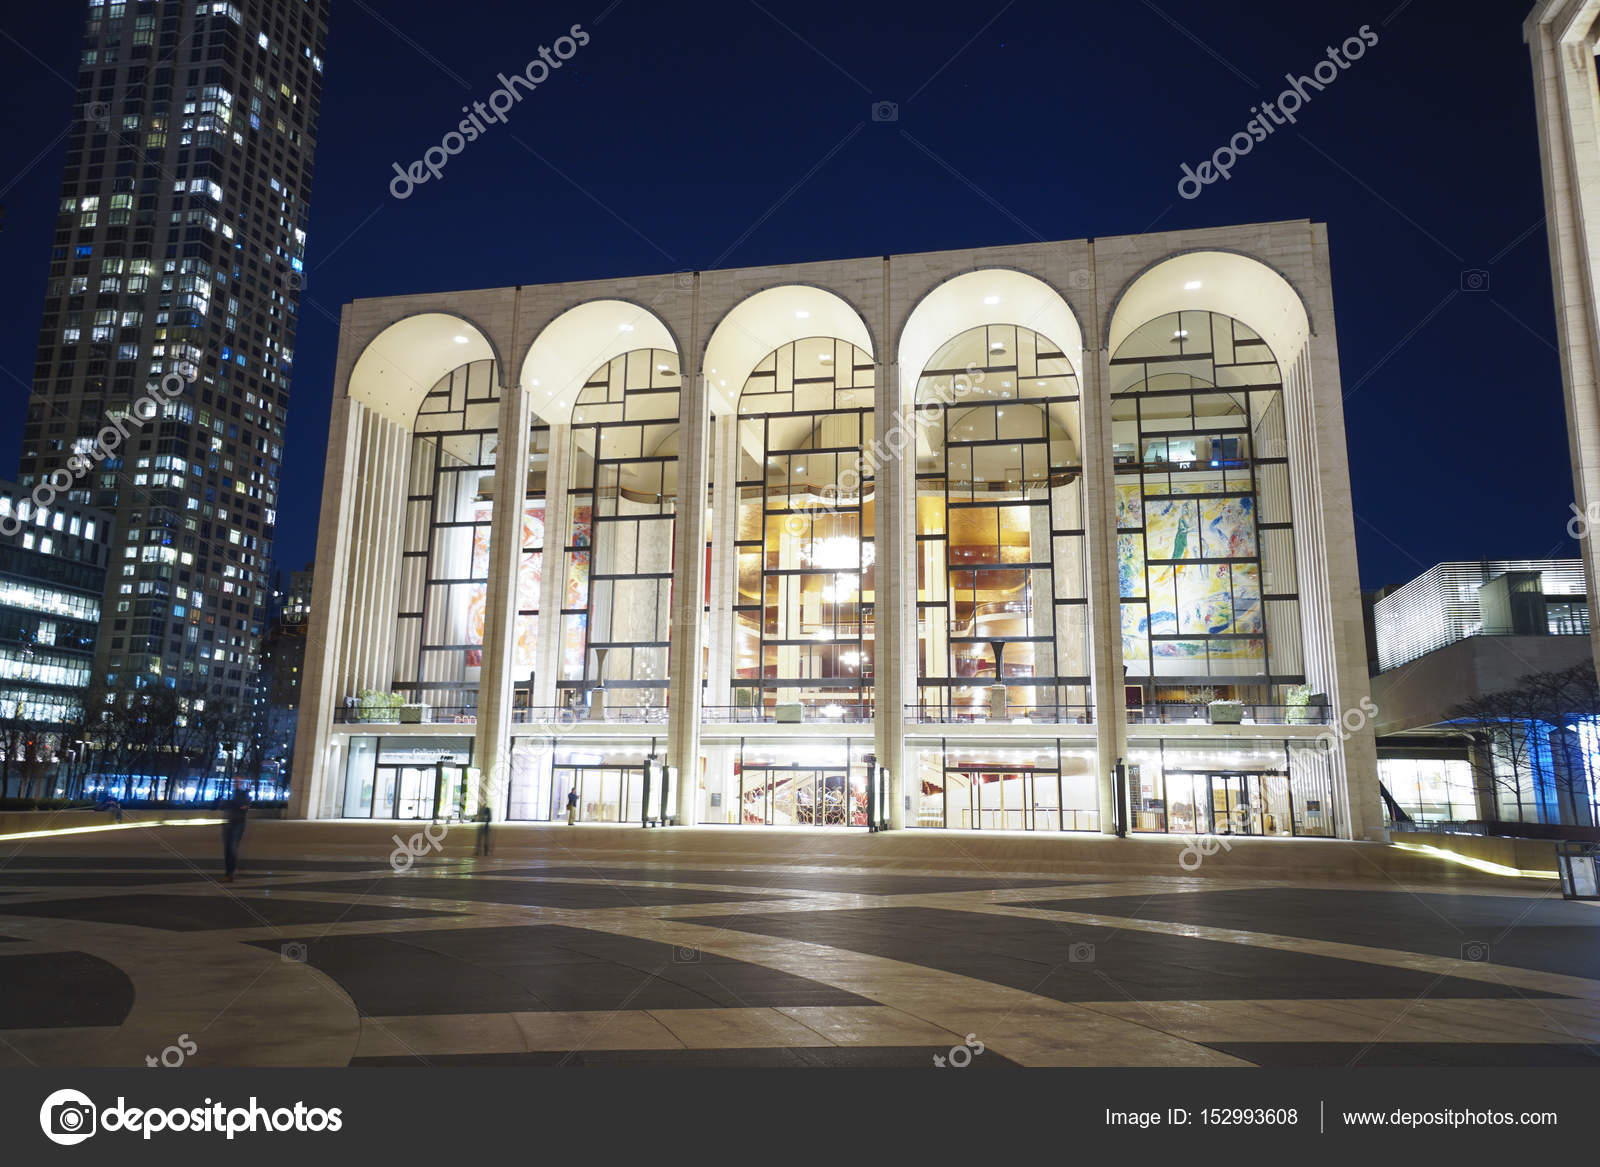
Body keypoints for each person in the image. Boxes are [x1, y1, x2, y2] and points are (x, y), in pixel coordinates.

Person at [219, 782, 250, 883]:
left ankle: (230, 872)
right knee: (228, 849)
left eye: (238, 782)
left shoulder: (244, 795)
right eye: (235, 782)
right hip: (228, 823)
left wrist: (230, 804)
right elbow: (221, 805)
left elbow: (243, 807)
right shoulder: (231, 794)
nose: (236, 784)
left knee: (232, 848)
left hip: (238, 824)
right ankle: (229, 873)